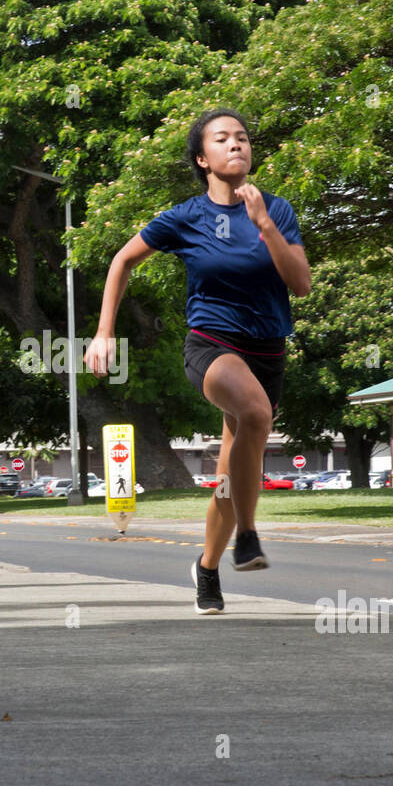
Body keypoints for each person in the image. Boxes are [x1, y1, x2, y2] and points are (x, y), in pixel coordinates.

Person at [84, 109, 310, 615]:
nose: (237, 146)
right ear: (202, 159)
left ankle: (206, 569)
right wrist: (104, 332)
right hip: (211, 345)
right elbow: (122, 259)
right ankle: (248, 536)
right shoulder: (185, 217)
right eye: (223, 139)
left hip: (268, 351)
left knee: (230, 477)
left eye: (244, 138)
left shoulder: (278, 210)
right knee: (256, 414)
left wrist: (266, 226)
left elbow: (300, 284)